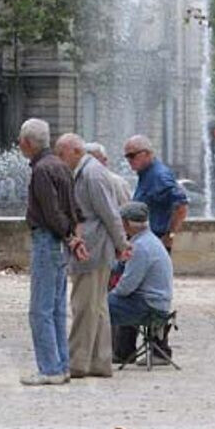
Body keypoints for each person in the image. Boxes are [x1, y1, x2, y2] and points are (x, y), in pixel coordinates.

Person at [19, 119, 87, 386]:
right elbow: (74, 210)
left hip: (49, 241)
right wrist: (75, 238)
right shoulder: (61, 166)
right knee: (57, 308)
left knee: (40, 309)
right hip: (60, 244)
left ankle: (49, 369)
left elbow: (51, 213)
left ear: (27, 143)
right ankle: (61, 365)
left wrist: (70, 238)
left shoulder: (42, 170)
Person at [55, 134, 130, 379]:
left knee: (84, 306)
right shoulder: (89, 171)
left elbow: (110, 214)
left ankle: (78, 361)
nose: (60, 159)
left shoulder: (91, 174)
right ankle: (99, 361)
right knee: (96, 307)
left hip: (93, 247)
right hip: (96, 245)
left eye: (62, 153)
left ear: (76, 151)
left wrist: (122, 244)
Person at [118, 134, 187, 363]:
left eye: (132, 156)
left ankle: (154, 349)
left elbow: (180, 204)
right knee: (140, 291)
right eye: (127, 156)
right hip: (148, 242)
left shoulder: (158, 175)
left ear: (147, 153)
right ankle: (130, 348)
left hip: (152, 243)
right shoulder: (148, 175)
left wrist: (170, 234)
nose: (129, 161)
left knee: (142, 292)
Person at [108, 201, 173, 362]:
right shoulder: (150, 240)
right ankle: (123, 350)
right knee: (117, 300)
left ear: (126, 223)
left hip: (149, 305)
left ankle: (101, 353)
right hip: (157, 301)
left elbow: (126, 287)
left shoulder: (140, 247)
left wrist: (109, 294)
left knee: (98, 305)